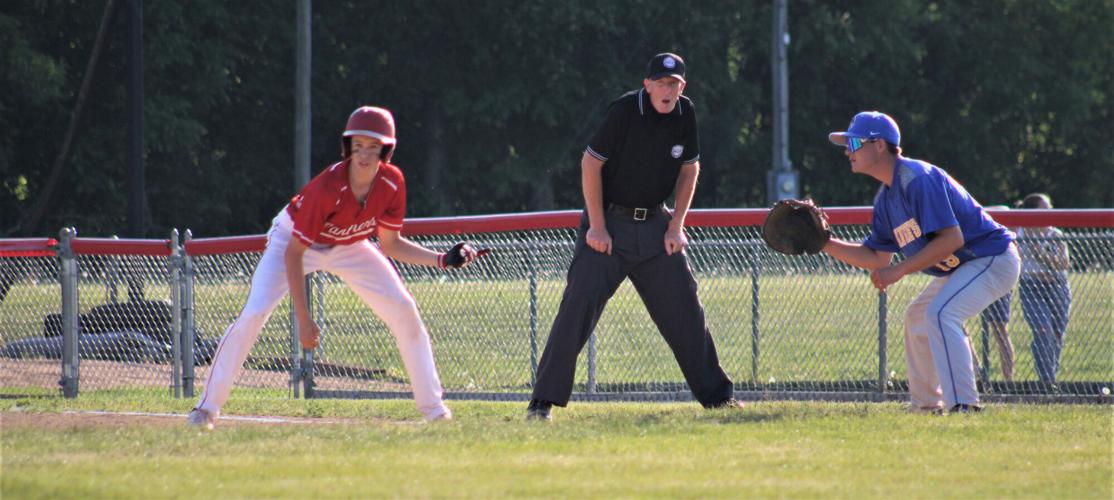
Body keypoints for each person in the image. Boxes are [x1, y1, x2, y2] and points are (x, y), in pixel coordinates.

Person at [187, 106, 478, 429]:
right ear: (347, 148)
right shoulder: (329, 186)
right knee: (254, 313)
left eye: (373, 147)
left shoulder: (392, 183)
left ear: (386, 150)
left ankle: (435, 410)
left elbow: (391, 244)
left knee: (404, 308)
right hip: (292, 242)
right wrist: (304, 319)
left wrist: (441, 259)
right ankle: (206, 409)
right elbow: (295, 254)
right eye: (358, 146)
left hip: (350, 245)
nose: (365, 155)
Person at [525, 52, 740, 421]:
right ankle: (542, 403)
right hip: (609, 224)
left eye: (674, 84)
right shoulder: (625, 111)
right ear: (647, 84)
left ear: (682, 87)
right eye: (661, 82)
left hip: (656, 227)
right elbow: (590, 164)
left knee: (686, 308)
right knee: (577, 308)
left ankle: (718, 398)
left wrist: (676, 226)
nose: (667, 90)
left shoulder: (685, 114)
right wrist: (596, 226)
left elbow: (691, 169)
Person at [822, 111, 1020, 414]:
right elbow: (876, 257)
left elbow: (951, 239)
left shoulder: (917, 179)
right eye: (846, 144)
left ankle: (964, 404)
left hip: (991, 257)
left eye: (855, 142)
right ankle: (927, 404)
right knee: (918, 315)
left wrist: (897, 271)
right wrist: (825, 243)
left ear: (879, 145)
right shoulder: (885, 199)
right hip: (965, 265)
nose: (848, 150)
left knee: (941, 313)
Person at [1015, 193, 1072, 384]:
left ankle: (1051, 377)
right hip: (1031, 287)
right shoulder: (1019, 233)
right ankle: (1046, 380)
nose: (1050, 212)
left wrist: (1041, 254)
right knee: (1042, 329)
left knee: (1057, 333)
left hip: (1057, 287)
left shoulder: (1055, 234)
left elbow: (1064, 264)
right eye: (1045, 208)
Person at [979, 206, 1015, 381]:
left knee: (999, 329)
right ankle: (977, 371)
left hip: (996, 274)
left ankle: (1008, 379)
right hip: (972, 273)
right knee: (954, 320)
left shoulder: (986, 213)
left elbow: (1005, 211)